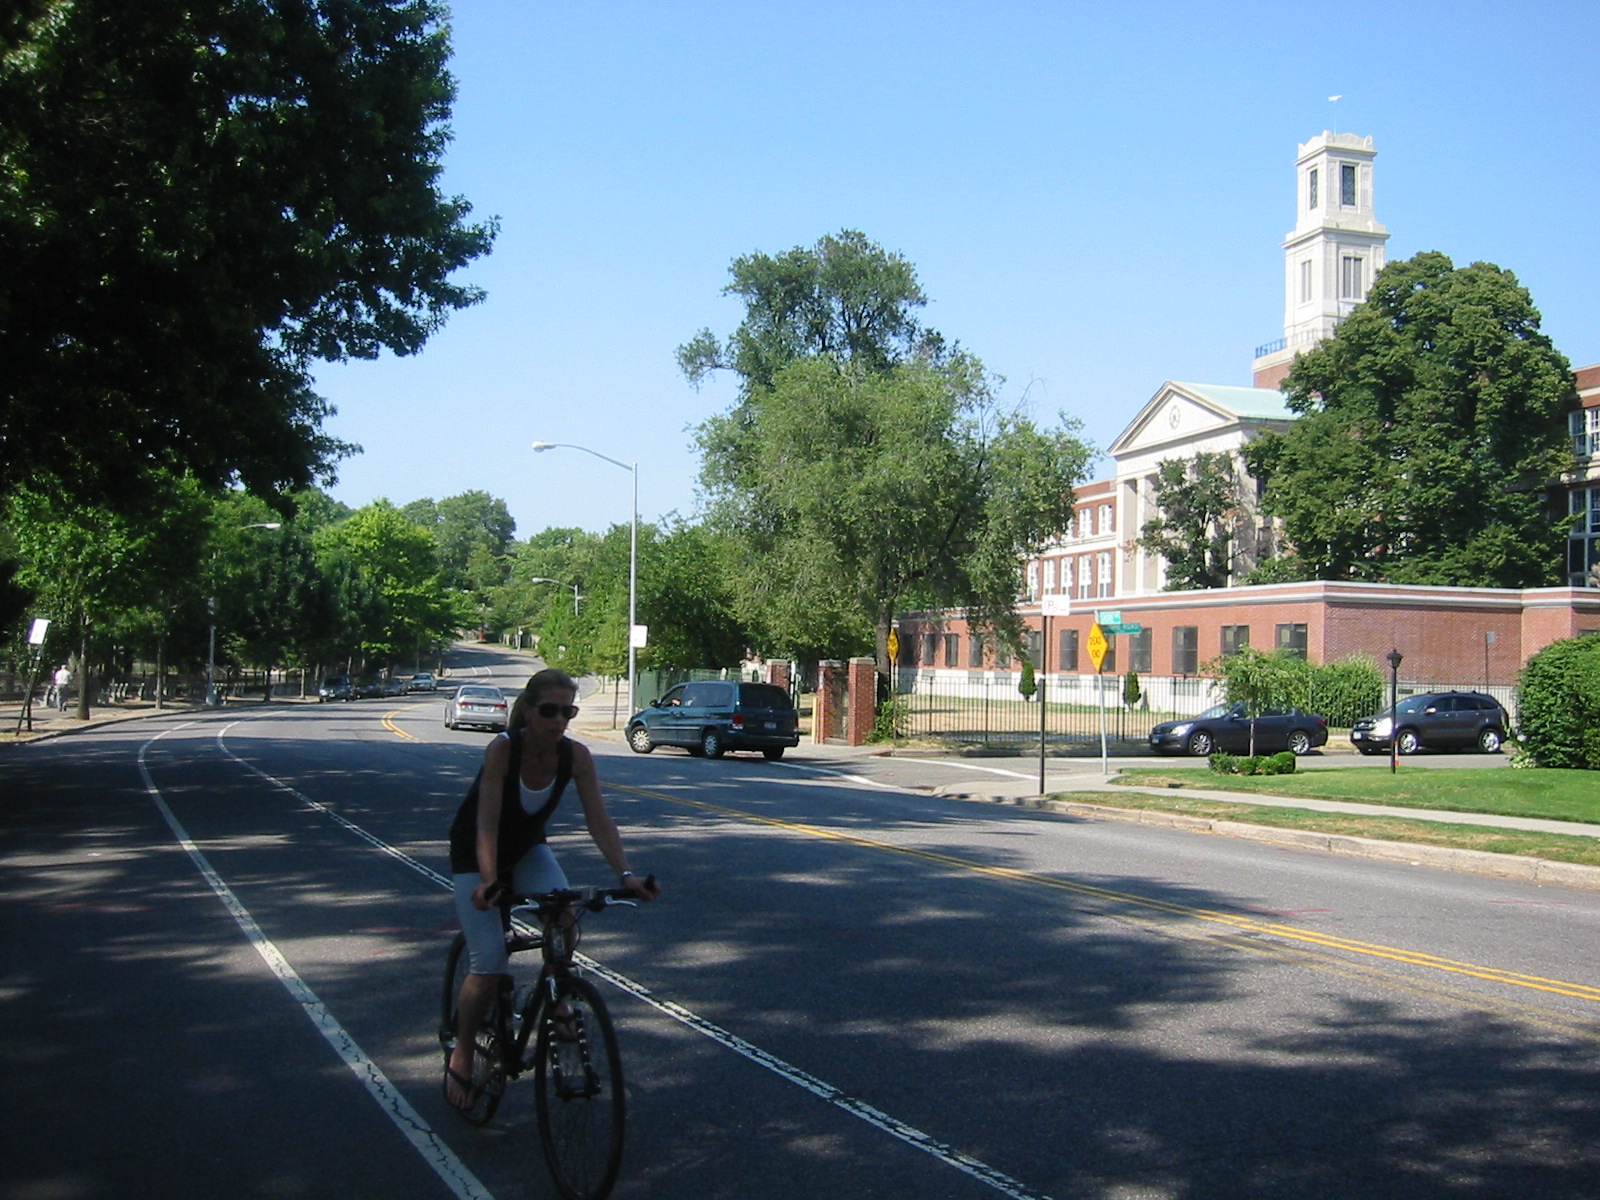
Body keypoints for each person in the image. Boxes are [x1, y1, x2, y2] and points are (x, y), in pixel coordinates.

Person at [444, 667, 660, 1111]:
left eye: (568, 711)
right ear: (528, 710)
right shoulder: (504, 750)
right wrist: (489, 882)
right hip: (476, 852)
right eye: (549, 711)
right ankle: (462, 1054)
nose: (559, 720)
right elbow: (486, 820)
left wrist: (625, 876)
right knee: (488, 965)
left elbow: (598, 820)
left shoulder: (576, 756)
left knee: (563, 913)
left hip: (526, 849)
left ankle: (559, 998)